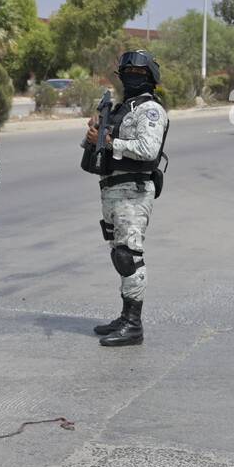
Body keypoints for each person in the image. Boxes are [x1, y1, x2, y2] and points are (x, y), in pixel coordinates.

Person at [84, 50, 168, 347]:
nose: (132, 77)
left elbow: (147, 149)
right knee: (118, 254)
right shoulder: (121, 108)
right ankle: (124, 315)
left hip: (134, 190)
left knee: (129, 255)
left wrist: (109, 141)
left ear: (150, 77)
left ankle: (134, 324)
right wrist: (95, 132)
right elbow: (95, 147)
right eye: (128, 72)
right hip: (111, 188)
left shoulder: (150, 110)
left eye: (139, 73)